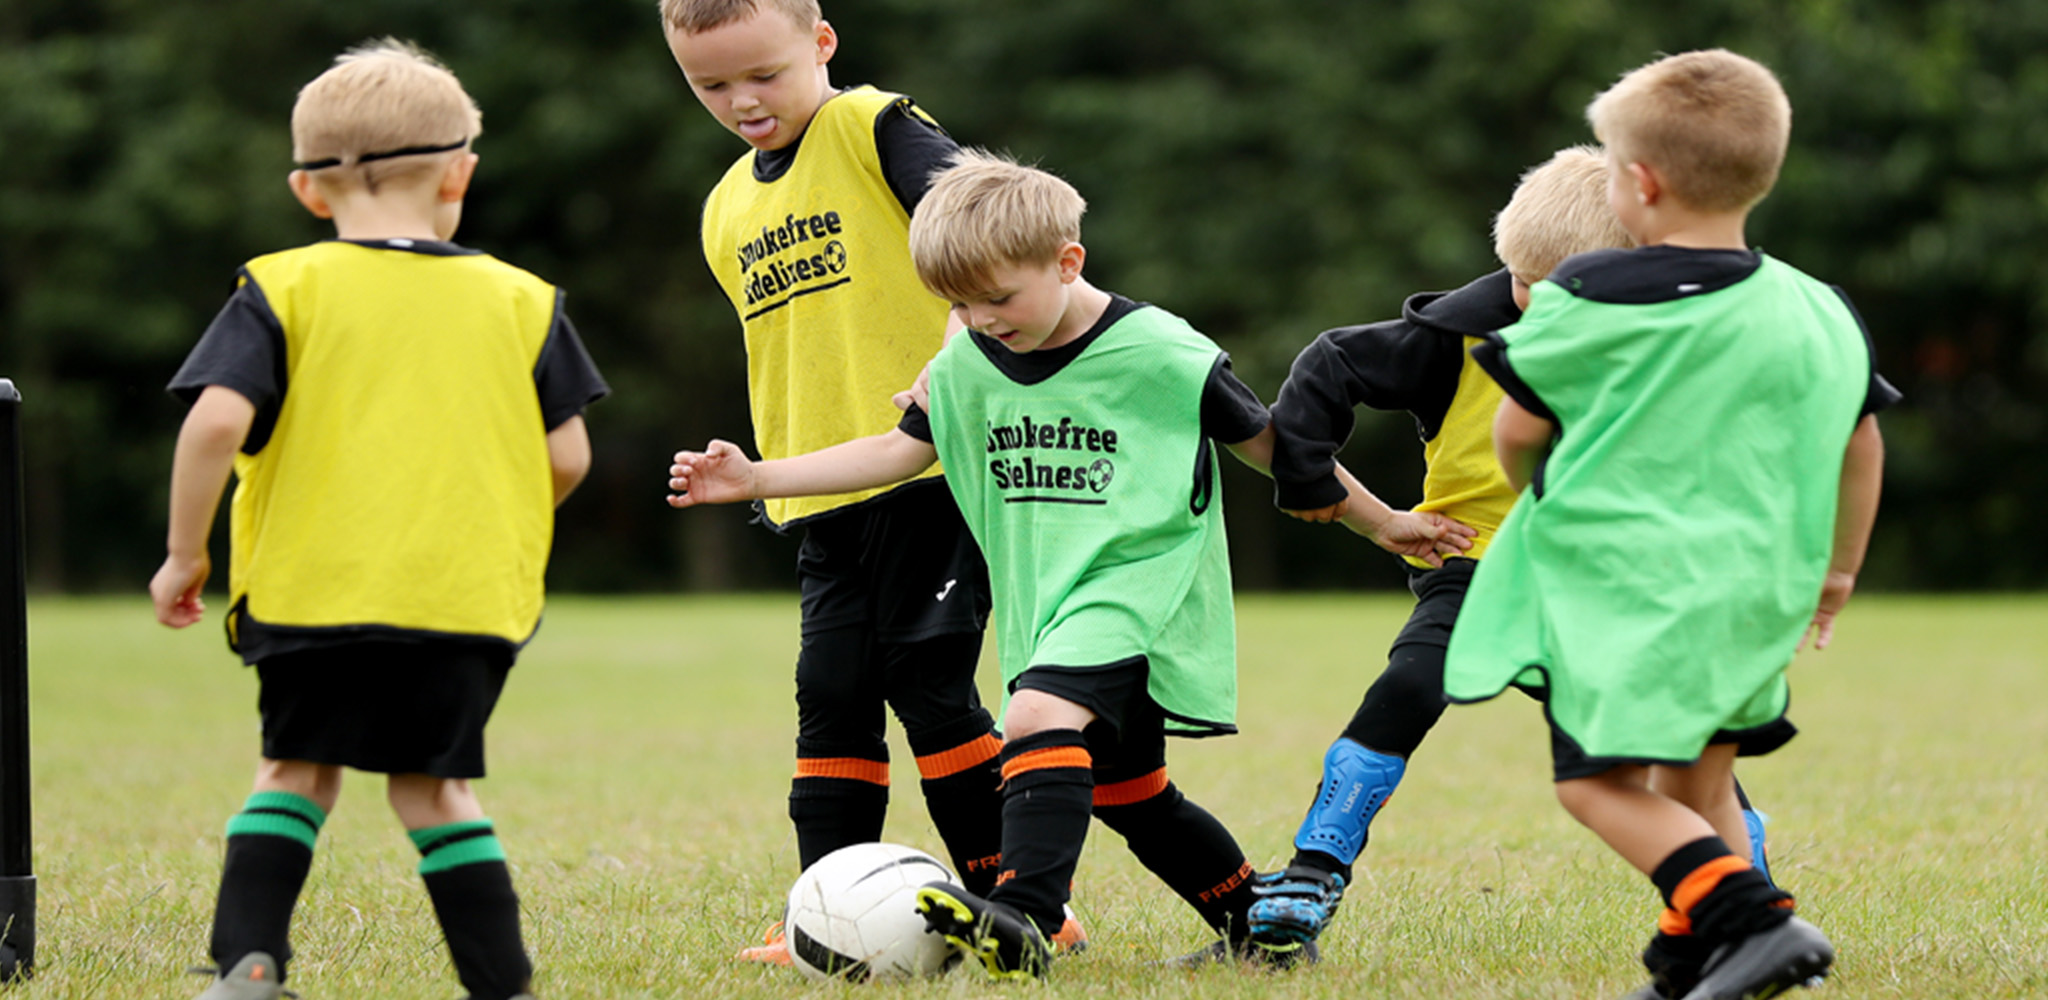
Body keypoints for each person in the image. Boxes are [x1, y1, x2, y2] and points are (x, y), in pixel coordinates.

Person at [667, 150, 1437, 977]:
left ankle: (1024, 917)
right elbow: (896, 454)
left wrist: (1384, 522)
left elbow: (1279, 446)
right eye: (958, 302)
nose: (981, 317)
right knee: (1129, 794)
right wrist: (758, 477)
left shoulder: (1159, 351)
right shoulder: (966, 361)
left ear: (1067, 262)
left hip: (1140, 588)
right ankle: (1259, 927)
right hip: (1050, 604)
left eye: (998, 297)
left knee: (1035, 720)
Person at [1247, 147, 1786, 977]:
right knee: (1406, 687)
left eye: (1560, 292)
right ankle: (1312, 875)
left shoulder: (1672, 347)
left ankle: (1743, 904)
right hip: (1479, 567)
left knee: (1678, 746)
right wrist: (1311, 480)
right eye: (1520, 281)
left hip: (1611, 586)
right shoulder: (1457, 336)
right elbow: (1331, 364)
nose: (1529, 304)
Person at [149, 40, 608, 1000]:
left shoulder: (281, 288)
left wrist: (185, 555)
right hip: (461, 602)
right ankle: (502, 986)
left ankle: (249, 964)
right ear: (461, 172)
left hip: (312, 598)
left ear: (309, 193)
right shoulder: (525, 300)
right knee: (435, 792)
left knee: (295, 771)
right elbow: (568, 457)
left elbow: (216, 422)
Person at [1442, 50, 1897, 1000]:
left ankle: (1757, 923)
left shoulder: (1585, 296)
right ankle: (1699, 961)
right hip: (1759, 589)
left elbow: (1516, 431)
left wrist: (1540, 487)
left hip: (1629, 587)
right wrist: (1840, 571)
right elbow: (1861, 447)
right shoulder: (1817, 306)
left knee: (1595, 784)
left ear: (1639, 184)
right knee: (1700, 782)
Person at [656, 0, 1070, 963]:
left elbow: (988, 218)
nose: (741, 101)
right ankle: (821, 908)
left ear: (821, 43)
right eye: (710, 85)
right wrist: (759, 471)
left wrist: (956, 349)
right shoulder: (725, 206)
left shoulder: (874, 125)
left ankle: (1020, 904)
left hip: (930, 472)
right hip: (821, 492)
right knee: (831, 691)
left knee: (928, 682)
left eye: (763, 74)